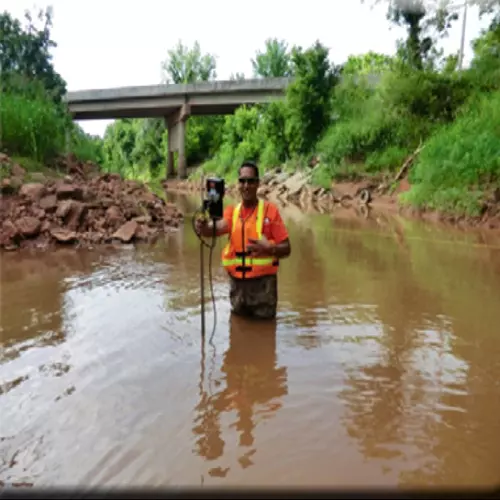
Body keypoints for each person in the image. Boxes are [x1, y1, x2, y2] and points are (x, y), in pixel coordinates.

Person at [195, 161, 291, 320]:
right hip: (237, 290)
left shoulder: (270, 211)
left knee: (264, 338)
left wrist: (270, 248)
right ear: (238, 184)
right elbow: (216, 228)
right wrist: (203, 227)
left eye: (251, 181)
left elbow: (287, 248)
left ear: (258, 183)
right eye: (242, 181)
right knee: (238, 334)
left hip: (263, 289)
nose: (246, 185)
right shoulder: (232, 212)